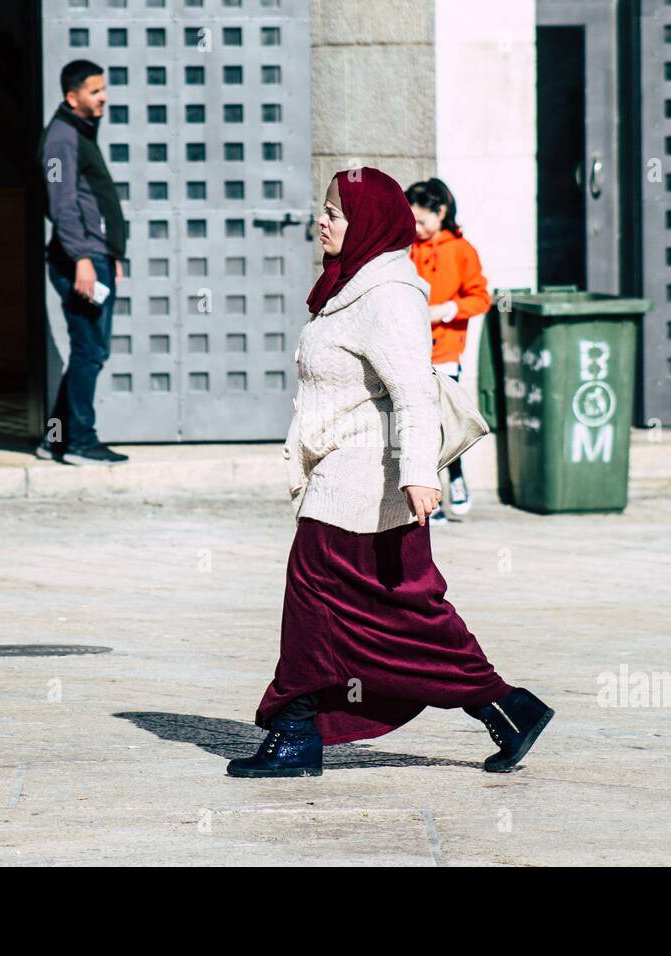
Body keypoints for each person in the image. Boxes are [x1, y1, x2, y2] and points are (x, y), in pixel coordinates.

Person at [226, 167, 554, 779]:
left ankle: (295, 730)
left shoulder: (389, 294)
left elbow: (414, 393)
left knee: (319, 599)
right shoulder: (348, 284)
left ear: (369, 223)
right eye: (323, 209)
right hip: (347, 475)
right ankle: (505, 706)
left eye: (336, 212)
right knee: (401, 612)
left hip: (368, 480)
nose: (322, 221)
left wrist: (419, 474)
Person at [35, 59, 129, 466]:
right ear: (72, 97)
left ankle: (55, 439)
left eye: (103, 88)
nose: (104, 96)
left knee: (87, 350)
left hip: (95, 255)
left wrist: (113, 254)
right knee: (90, 350)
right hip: (80, 258)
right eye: (95, 91)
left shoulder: (79, 131)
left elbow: (95, 199)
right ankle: (80, 442)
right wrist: (83, 261)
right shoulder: (61, 138)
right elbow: (64, 205)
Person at [406, 178, 491, 522]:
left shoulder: (461, 250)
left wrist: (446, 310)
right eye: (411, 220)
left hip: (445, 350)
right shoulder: (407, 248)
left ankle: (453, 475)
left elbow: (480, 297)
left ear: (441, 212)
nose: (417, 228)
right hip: (411, 348)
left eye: (422, 220)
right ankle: (432, 496)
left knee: (443, 422)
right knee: (419, 424)